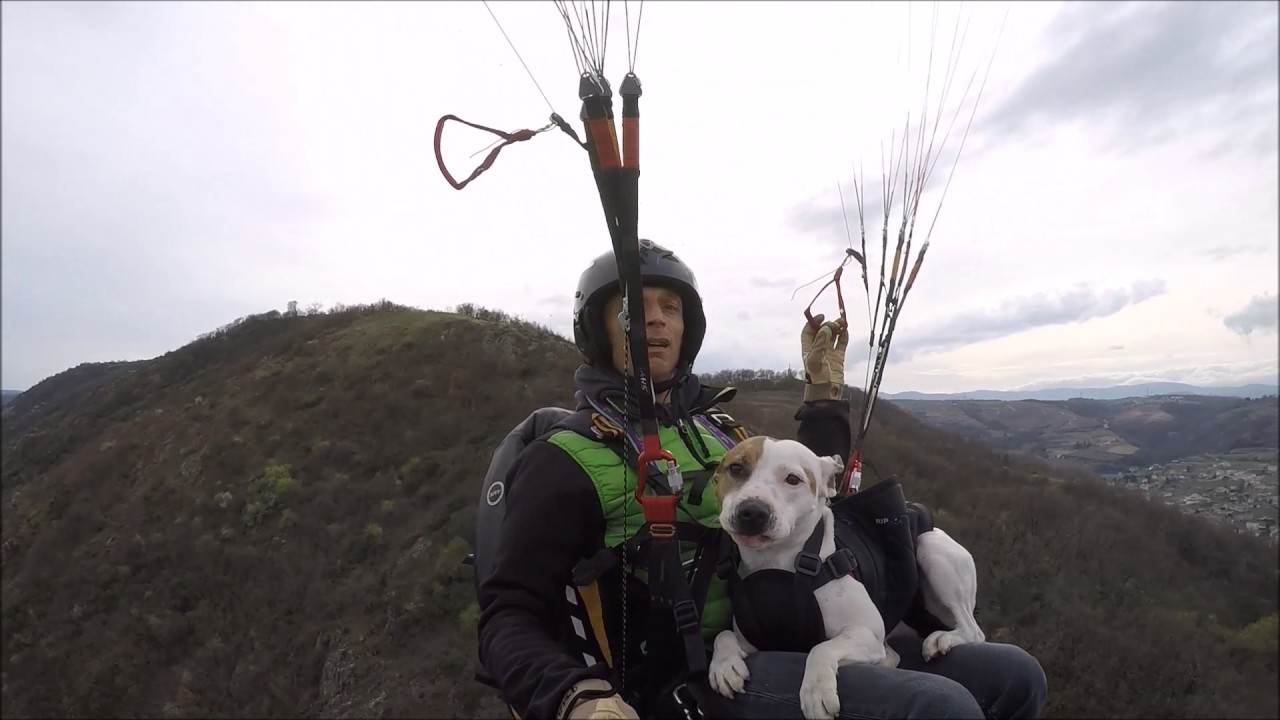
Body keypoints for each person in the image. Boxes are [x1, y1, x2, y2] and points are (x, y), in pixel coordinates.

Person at [475, 239, 1048, 720]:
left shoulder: (718, 431)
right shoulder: (567, 457)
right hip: (690, 674)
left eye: (670, 306)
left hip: (785, 624)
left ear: (688, 326)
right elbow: (509, 612)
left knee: (1014, 676)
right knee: (939, 710)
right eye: (632, 306)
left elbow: (801, 493)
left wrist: (824, 399)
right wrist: (573, 696)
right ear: (598, 328)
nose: (654, 318)